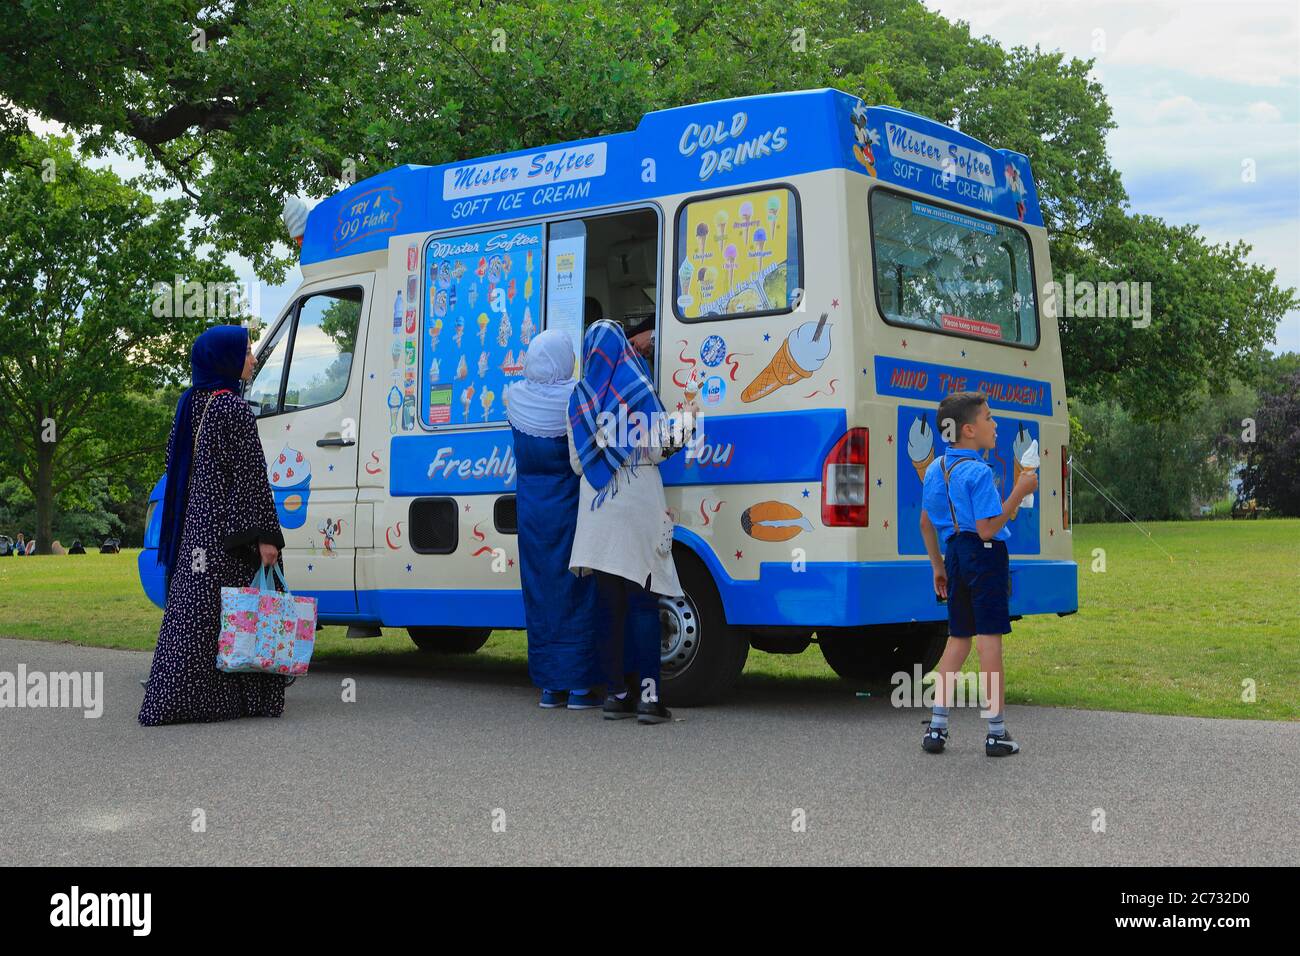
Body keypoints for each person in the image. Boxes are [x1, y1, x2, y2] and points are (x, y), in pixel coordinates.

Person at [139, 324, 289, 727]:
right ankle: (243, 698)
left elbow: (177, 465)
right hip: (229, 534)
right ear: (225, 360)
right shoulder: (234, 408)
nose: (253, 360)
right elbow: (250, 477)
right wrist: (265, 536)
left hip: (195, 531)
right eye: (246, 354)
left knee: (196, 616)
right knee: (243, 610)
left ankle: (177, 697)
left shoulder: (188, 404)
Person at [567, 319, 685, 725]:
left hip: (598, 511)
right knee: (642, 603)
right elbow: (657, 450)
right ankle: (649, 699)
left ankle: (616, 694)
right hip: (638, 505)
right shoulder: (640, 389)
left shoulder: (579, 399)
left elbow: (577, 463)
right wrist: (684, 427)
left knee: (608, 605)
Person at [918, 391, 1037, 757]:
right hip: (984, 557)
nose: (995, 423)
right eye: (988, 418)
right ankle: (996, 731)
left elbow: (925, 523)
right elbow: (987, 528)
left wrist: (938, 566)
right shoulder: (979, 472)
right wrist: (1018, 492)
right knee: (989, 642)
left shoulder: (936, 469)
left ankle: (937, 727)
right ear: (968, 430)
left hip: (954, 554)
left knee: (958, 639)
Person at [506, 329, 603, 709]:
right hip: (569, 508)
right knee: (576, 591)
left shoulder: (513, 399)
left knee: (541, 593)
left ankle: (549, 687)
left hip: (531, 512)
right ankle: (579, 687)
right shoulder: (575, 398)